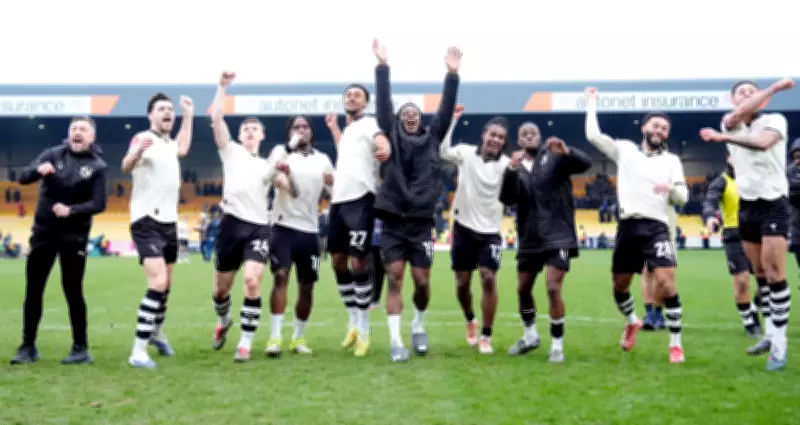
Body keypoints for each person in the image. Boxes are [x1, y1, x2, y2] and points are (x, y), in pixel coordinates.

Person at [371, 39, 460, 362]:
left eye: (415, 113)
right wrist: (382, 67)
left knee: (421, 282)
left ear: (421, 120)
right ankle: (396, 342)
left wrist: (451, 76)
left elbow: (446, 111)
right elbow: (383, 105)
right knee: (394, 277)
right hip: (394, 220)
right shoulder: (391, 133)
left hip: (422, 222)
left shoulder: (432, 137)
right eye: (404, 113)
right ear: (398, 120)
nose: (410, 116)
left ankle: (418, 325)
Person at [584, 87, 688, 364]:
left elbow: (683, 196)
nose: (660, 130)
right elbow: (593, 136)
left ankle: (675, 345)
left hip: (657, 227)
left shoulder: (672, 161)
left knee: (666, 283)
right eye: (656, 125)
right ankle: (632, 321)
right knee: (620, 287)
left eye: (665, 128)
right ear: (644, 128)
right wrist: (592, 102)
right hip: (629, 227)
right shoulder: (626, 150)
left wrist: (672, 191)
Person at [699, 78, 794, 370]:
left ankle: (779, 343)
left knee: (776, 273)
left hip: (773, 203)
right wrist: (771, 90)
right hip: (747, 206)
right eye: (742, 92)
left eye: (753, 92)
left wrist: (774, 91)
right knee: (760, 274)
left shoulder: (774, 119)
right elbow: (737, 116)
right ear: (732, 100)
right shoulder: (731, 122)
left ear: (763, 101)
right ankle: (768, 333)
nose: (748, 95)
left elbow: (764, 144)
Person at [208, 72, 296, 362]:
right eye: (244, 127)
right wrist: (222, 87)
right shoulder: (230, 151)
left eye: (253, 128)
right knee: (221, 291)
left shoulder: (268, 165)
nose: (248, 131)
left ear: (261, 135)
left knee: (252, 282)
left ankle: (245, 344)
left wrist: (285, 173)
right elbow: (216, 119)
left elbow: (290, 190)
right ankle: (223, 322)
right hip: (230, 225)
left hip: (259, 228)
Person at [10, 116, 107, 365]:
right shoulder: (52, 154)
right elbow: (23, 177)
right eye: (74, 128)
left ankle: (80, 348)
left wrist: (71, 210)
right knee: (34, 290)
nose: (77, 132)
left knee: (73, 291)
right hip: (44, 232)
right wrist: (37, 170)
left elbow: (99, 203)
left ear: (91, 136)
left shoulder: (97, 166)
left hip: (74, 236)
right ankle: (27, 346)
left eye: (83, 129)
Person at [501, 123, 592, 362]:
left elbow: (585, 164)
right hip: (530, 237)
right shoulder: (515, 167)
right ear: (519, 141)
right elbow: (507, 198)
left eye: (533, 132)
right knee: (523, 289)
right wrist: (510, 169)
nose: (529, 135)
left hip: (557, 234)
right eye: (523, 133)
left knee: (553, 287)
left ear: (539, 138)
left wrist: (568, 151)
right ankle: (530, 335)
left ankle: (557, 345)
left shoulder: (555, 156)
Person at [123, 92, 195, 368]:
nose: (168, 112)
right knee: (157, 282)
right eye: (162, 109)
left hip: (169, 222)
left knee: (167, 285)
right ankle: (137, 351)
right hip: (146, 220)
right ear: (150, 115)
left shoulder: (167, 143)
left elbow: (183, 147)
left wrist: (188, 115)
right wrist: (138, 151)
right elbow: (126, 165)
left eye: (170, 109)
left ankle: (155, 331)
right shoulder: (144, 138)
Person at [324, 76, 391, 358]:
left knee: (358, 260)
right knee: (338, 262)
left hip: (362, 200)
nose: (351, 98)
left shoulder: (369, 123)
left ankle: (364, 328)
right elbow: (346, 152)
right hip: (338, 201)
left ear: (366, 102)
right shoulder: (351, 129)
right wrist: (334, 129)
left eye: (357, 95)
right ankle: (353, 319)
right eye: (348, 95)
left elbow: (379, 139)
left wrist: (384, 146)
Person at [440, 106, 510, 354]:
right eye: (493, 134)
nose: (496, 140)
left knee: (489, 278)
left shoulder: (507, 165)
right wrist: (453, 119)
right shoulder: (466, 154)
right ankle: (470, 319)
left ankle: (486, 336)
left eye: (501, 137)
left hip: (490, 231)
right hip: (463, 228)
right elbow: (443, 150)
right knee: (462, 283)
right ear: (483, 134)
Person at [264, 115, 334, 357]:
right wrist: (285, 169)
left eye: (305, 127)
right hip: (283, 226)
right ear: (289, 132)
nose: (301, 130)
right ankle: (274, 338)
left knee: (307, 285)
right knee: (280, 276)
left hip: (309, 229)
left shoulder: (323, 160)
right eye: (296, 127)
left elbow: (334, 191)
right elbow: (272, 177)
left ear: (311, 132)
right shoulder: (280, 153)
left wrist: (333, 183)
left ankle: (298, 338)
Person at [702, 153, 761, 338]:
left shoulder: (757, 179)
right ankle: (749, 323)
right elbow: (710, 201)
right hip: (734, 235)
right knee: (742, 280)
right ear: (728, 158)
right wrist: (710, 217)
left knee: (765, 281)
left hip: (758, 234)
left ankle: (753, 308)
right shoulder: (722, 181)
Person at [640, 206, 679, 330]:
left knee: (662, 273)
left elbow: (681, 197)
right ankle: (649, 314)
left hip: (665, 225)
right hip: (644, 222)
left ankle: (657, 313)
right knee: (646, 270)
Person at [787, 139, 800, 283]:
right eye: (796, 157)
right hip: (796, 223)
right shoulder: (788, 172)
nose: (798, 161)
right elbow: (787, 191)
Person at [369, 218, 386, 310]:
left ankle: (376, 299)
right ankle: (373, 299)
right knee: (373, 270)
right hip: (372, 241)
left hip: (387, 240)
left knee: (381, 271)